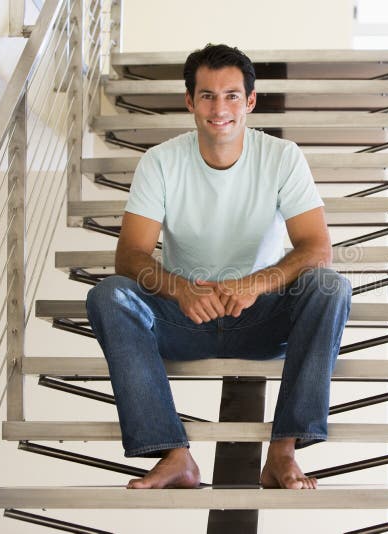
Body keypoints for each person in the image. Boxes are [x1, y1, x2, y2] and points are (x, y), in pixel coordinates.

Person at [86, 44, 352, 491]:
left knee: (329, 287)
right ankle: (175, 455)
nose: (219, 108)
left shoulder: (282, 157)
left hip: (261, 313)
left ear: (249, 101)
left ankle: (282, 452)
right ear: (189, 101)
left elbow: (316, 248)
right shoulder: (161, 162)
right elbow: (130, 256)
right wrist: (179, 289)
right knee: (108, 294)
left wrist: (255, 284)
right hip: (183, 317)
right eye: (207, 95)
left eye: (231, 96)